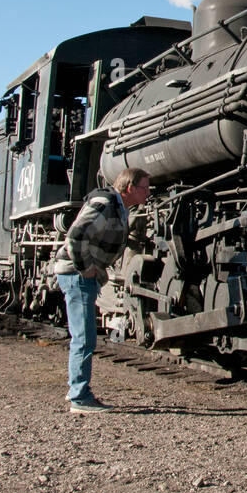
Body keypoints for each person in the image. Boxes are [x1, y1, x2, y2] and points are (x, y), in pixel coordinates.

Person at [53, 167, 151, 413]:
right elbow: (75, 236)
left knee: (83, 336)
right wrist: (87, 269)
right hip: (75, 273)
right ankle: (79, 397)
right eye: (145, 188)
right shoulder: (105, 203)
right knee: (84, 337)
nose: (148, 193)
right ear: (129, 188)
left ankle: (76, 390)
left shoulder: (118, 207)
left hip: (79, 273)